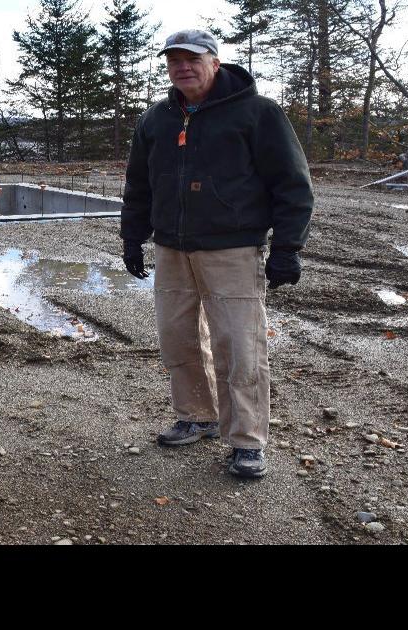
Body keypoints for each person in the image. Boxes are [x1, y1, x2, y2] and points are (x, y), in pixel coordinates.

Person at [120, 29, 313, 478]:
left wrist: (287, 248)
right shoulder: (156, 120)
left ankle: (246, 441)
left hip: (233, 249)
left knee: (240, 349)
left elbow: (292, 184)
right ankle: (196, 416)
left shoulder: (257, 113)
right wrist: (133, 236)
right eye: (174, 61)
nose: (182, 67)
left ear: (215, 62)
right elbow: (139, 185)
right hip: (172, 249)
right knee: (177, 339)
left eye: (192, 59)